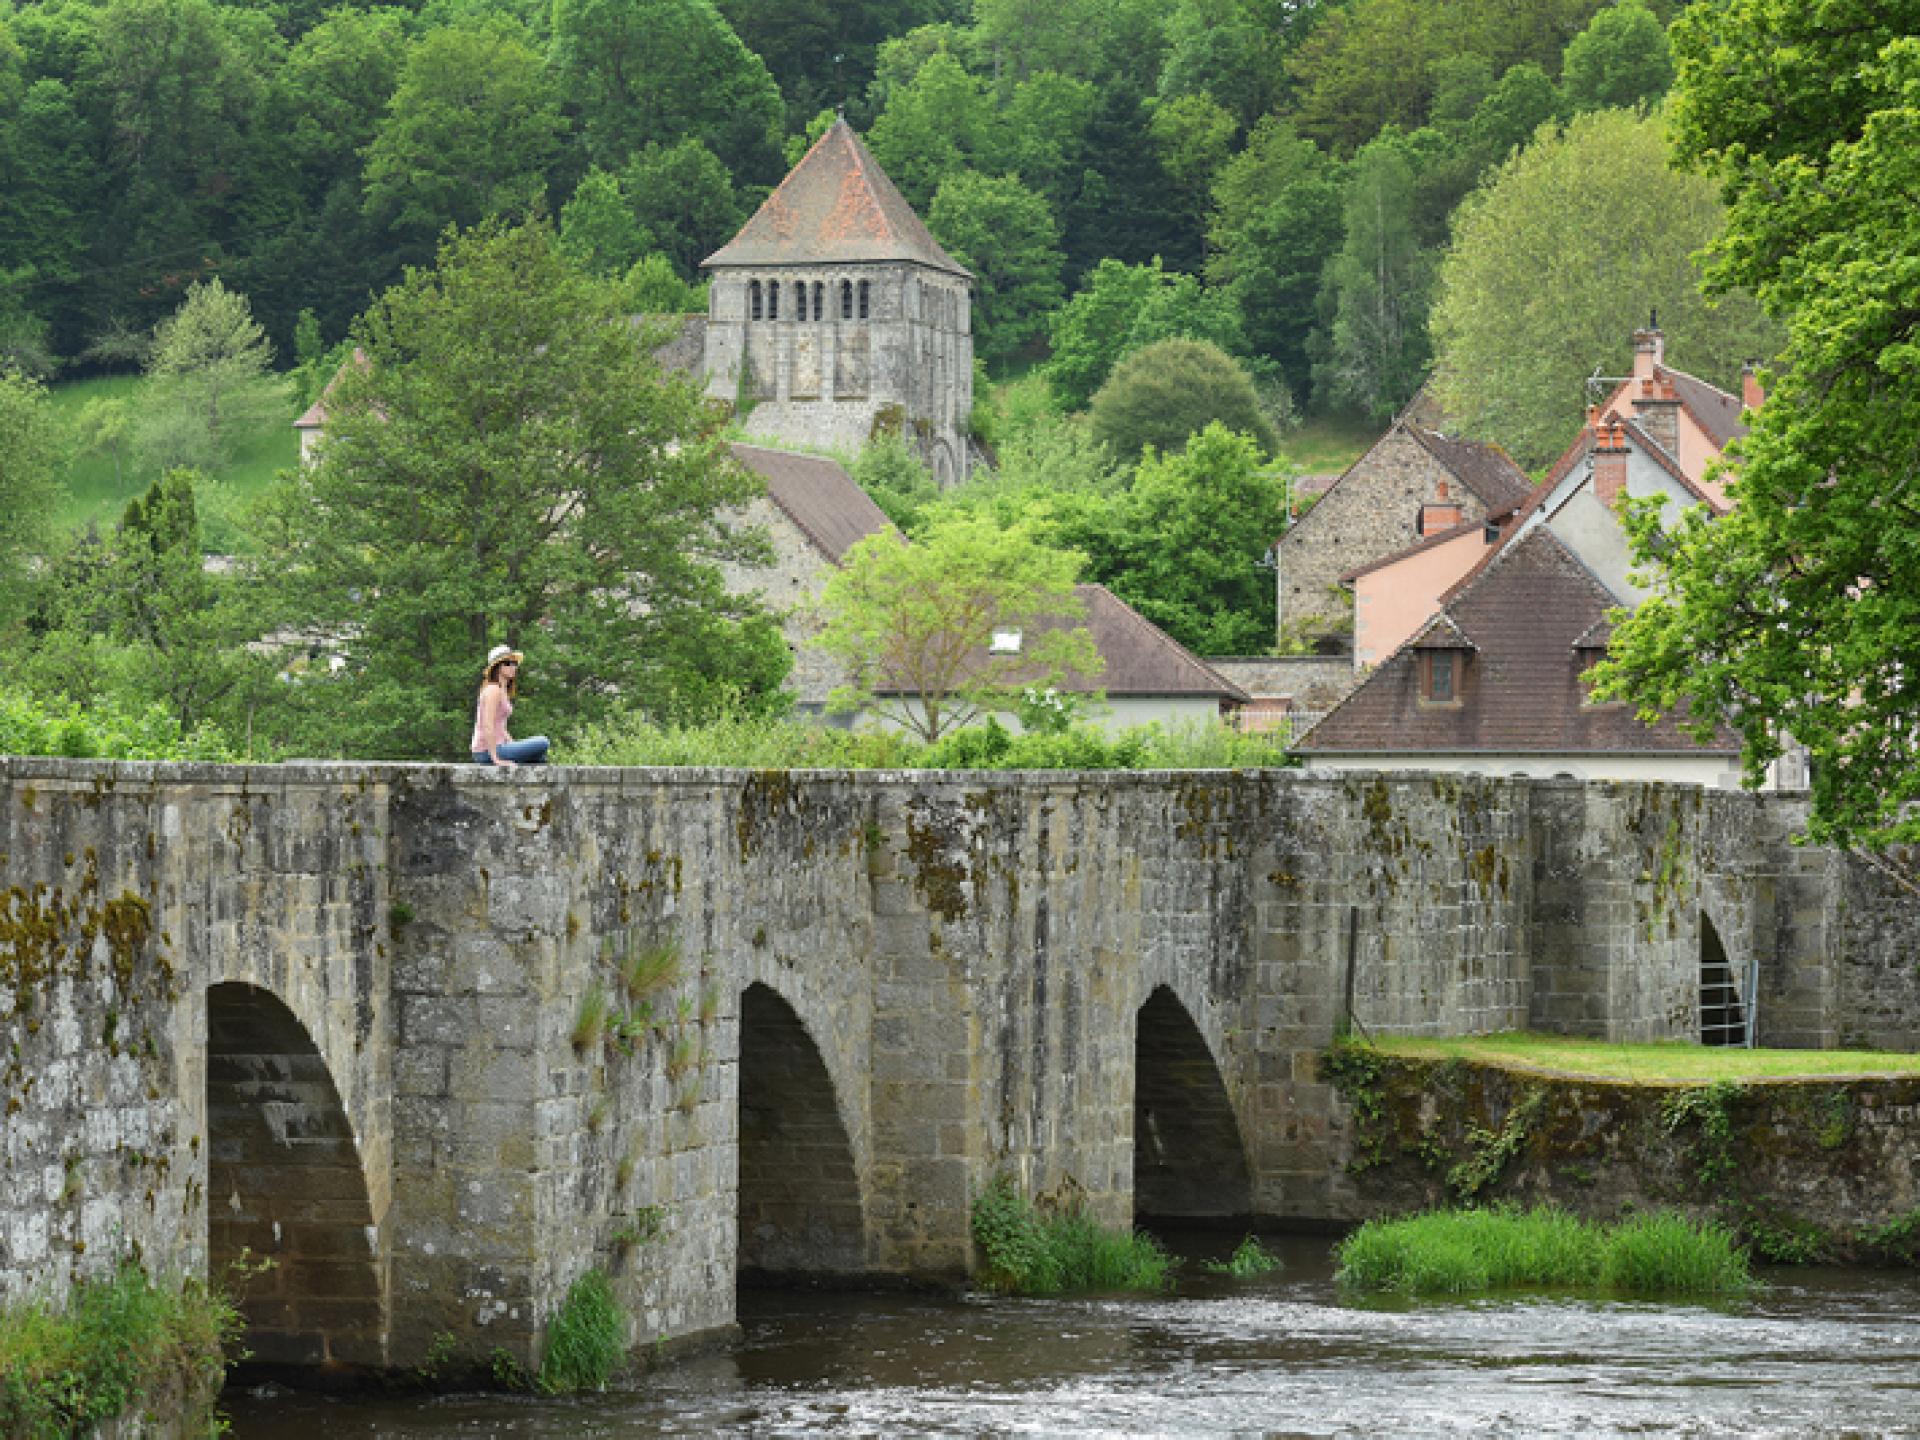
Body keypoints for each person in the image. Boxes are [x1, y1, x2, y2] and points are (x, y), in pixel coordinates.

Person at [471, 644, 551, 767]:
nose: (513, 666)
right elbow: (488, 725)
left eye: (514, 663)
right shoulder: (493, 690)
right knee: (543, 742)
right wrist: (496, 759)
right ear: (497, 667)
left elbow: (501, 727)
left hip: (500, 746)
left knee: (540, 758)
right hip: (485, 751)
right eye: (508, 663)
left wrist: (514, 745)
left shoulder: (503, 690)